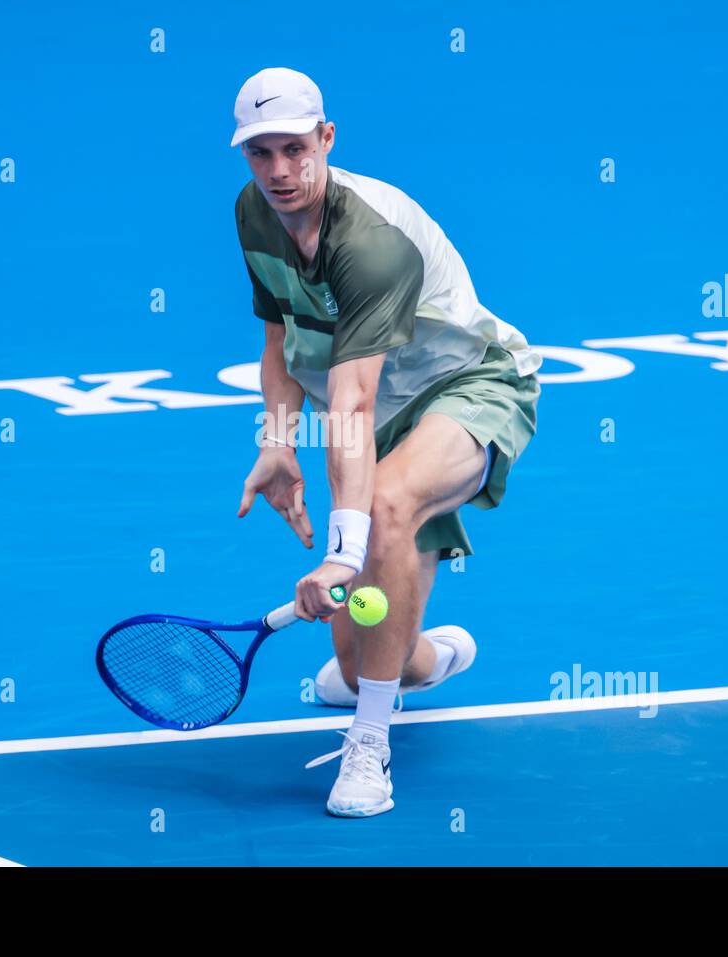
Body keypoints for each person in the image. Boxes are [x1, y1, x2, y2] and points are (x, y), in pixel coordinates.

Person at [232, 67, 542, 817]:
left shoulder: (369, 243)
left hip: (463, 387)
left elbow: (352, 398)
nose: (278, 170)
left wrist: (341, 548)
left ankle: (369, 747)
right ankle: (424, 660)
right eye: (260, 152)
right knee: (367, 653)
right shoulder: (254, 211)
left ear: (326, 139)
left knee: (390, 509)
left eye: (295, 149)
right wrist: (277, 440)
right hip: (375, 406)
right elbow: (279, 333)